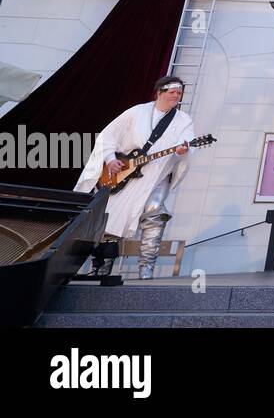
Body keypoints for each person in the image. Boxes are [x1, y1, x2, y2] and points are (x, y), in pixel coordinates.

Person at [74, 76, 195, 279]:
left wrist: (183, 151)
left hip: (156, 176)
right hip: (126, 175)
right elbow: (108, 135)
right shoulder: (137, 112)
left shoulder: (183, 120)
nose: (176, 95)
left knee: (154, 213)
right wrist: (111, 159)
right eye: (172, 91)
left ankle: (146, 270)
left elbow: (187, 144)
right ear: (159, 92)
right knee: (110, 220)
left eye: (179, 92)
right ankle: (101, 269)